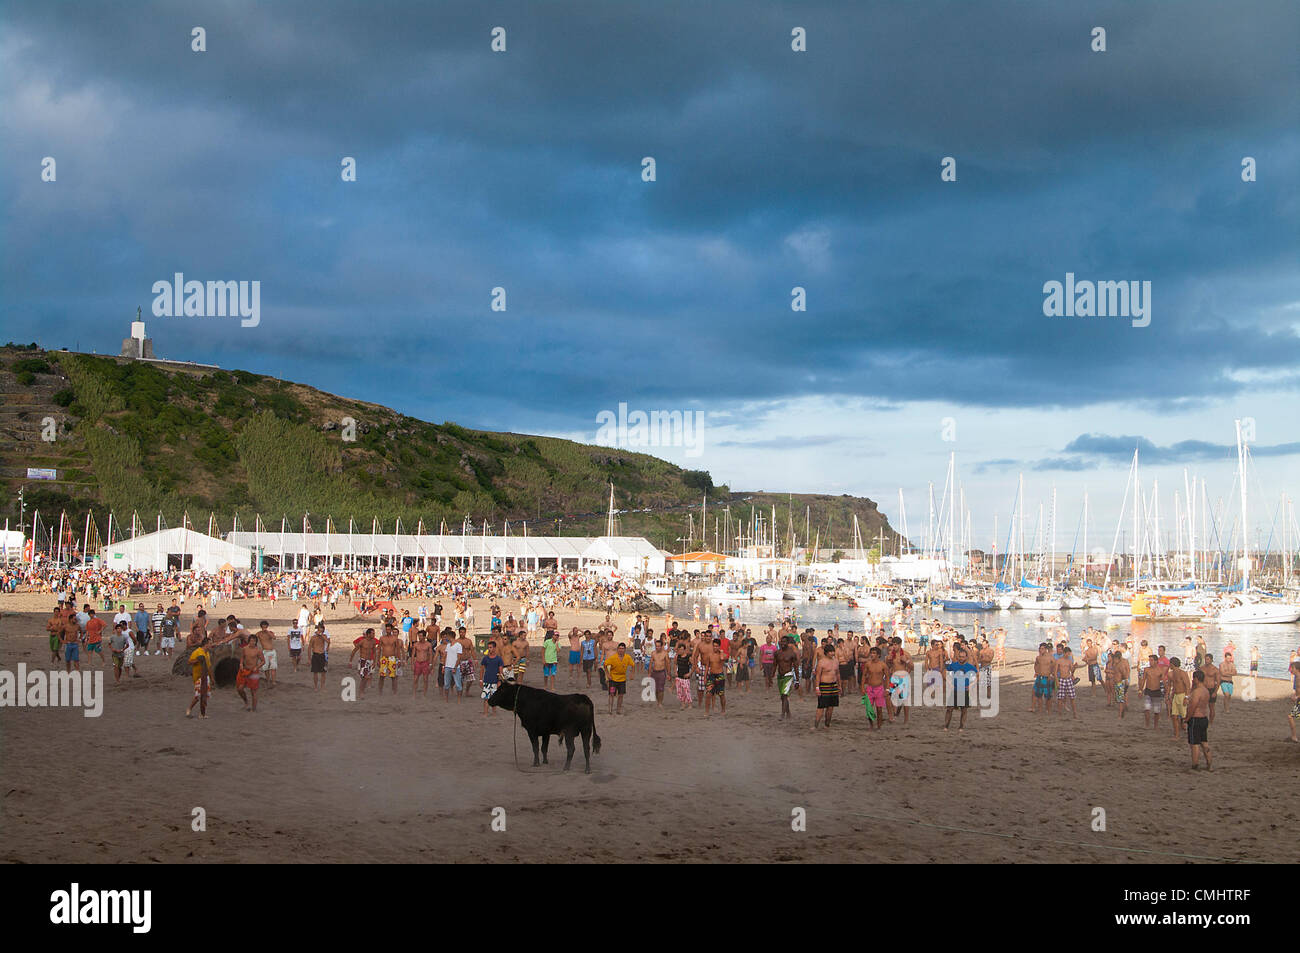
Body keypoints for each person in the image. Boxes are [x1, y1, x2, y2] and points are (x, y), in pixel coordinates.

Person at [945, 644, 978, 732]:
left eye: (963, 657)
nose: (961, 658)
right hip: (954, 689)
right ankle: (946, 726)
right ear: (957, 656)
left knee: (964, 710)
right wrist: (949, 683)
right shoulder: (954, 665)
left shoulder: (970, 666)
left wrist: (971, 685)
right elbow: (945, 673)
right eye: (960, 656)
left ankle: (961, 727)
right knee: (949, 708)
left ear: (966, 657)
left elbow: (978, 675)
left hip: (964, 690)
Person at [1186, 670, 1212, 769]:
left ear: (1196, 679)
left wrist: (1187, 718)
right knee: (1204, 742)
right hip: (1204, 718)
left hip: (1195, 718)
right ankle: (1209, 763)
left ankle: (1195, 764)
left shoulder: (1197, 692)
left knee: (1194, 743)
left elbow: (1193, 706)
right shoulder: (1206, 691)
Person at [812, 642, 840, 729]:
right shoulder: (821, 662)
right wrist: (817, 687)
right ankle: (816, 725)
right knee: (821, 707)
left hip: (833, 685)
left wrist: (839, 685)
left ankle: (827, 725)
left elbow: (838, 674)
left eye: (833, 651)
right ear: (826, 652)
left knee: (831, 707)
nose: (832, 653)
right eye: (830, 652)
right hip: (824, 685)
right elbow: (818, 676)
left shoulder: (836, 661)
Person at [236, 634, 265, 712]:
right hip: (245, 670)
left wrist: (257, 667)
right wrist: (241, 664)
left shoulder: (258, 650)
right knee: (240, 688)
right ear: (248, 641)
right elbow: (242, 658)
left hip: (254, 671)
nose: (252, 642)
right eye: (251, 641)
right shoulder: (244, 649)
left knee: (253, 690)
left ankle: (253, 708)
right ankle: (246, 702)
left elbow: (263, 661)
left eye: (254, 641)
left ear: (256, 642)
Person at [603, 642, 633, 715]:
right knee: (611, 694)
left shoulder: (627, 657)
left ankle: (618, 710)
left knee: (621, 695)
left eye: (622, 649)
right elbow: (605, 665)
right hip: (613, 680)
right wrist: (607, 674)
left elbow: (633, 665)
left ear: (625, 650)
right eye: (620, 648)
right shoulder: (613, 658)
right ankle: (610, 710)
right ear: (617, 649)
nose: (621, 650)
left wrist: (632, 674)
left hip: (622, 680)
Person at [186, 636, 212, 719]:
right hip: (198, 677)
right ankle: (189, 708)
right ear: (206, 644)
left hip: (206, 676)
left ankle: (202, 713)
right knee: (198, 695)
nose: (211, 645)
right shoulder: (197, 652)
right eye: (210, 644)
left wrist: (212, 678)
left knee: (205, 695)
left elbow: (209, 667)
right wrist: (197, 660)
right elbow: (189, 662)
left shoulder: (207, 653)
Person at [350, 628, 379, 698]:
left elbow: (374, 653)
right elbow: (354, 651)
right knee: (365, 677)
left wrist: (374, 662)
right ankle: (361, 692)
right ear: (368, 634)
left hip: (369, 661)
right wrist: (350, 661)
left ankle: (361, 691)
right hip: (363, 660)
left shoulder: (373, 642)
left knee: (366, 678)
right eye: (372, 633)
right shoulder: (362, 642)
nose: (374, 635)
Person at [480, 640, 504, 715]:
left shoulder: (499, 659)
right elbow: (482, 670)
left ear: (494, 648)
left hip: (495, 681)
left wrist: (499, 681)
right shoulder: (485, 659)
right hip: (487, 680)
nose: (489, 649)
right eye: (488, 647)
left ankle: (494, 713)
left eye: (490, 647)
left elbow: (500, 672)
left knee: (494, 698)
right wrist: (481, 680)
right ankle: (485, 712)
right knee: (486, 698)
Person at [411, 629, 434, 696]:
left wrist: (430, 664)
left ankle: (424, 694)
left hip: (425, 663)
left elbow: (430, 654)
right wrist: (412, 664)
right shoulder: (416, 644)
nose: (419, 637)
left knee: (425, 679)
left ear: (424, 637)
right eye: (419, 636)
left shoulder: (428, 644)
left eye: (421, 636)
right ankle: (414, 694)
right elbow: (413, 655)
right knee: (415, 679)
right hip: (418, 662)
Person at [308, 624, 328, 691]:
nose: (320, 631)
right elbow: (309, 648)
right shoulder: (313, 637)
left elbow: (328, 642)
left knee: (323, 672)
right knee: (315, 672)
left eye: (321, 630)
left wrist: (321, 635)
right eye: (319, 630)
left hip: (322, 655)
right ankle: (315, 686)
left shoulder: (324, 636)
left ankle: (322, 686)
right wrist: (309, 658)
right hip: (315, 655)